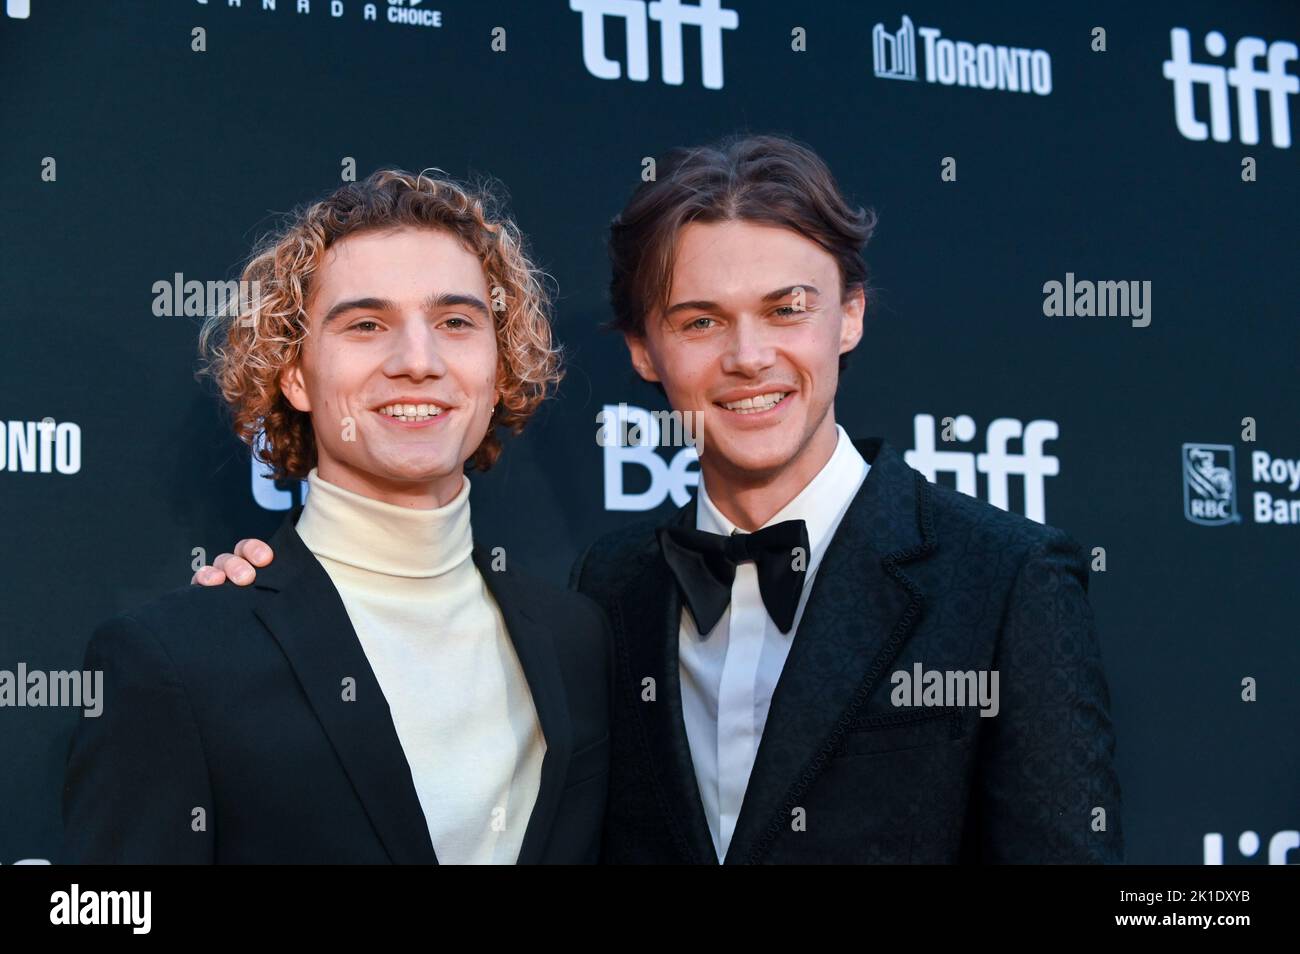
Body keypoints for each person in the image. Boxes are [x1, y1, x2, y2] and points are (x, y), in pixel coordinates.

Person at [197, 136, 1123, 864]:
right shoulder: (609, 591)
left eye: (788, 309)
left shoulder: (1004, 583)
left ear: (851, 315)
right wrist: (284, 603)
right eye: (699, 322)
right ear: (645, 351)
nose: (749, 356)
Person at [64, 169, 610, 864]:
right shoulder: (176, 660)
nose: (419, 360)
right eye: (365, 325)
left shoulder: (579, 640)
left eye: (456, 322)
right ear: (294, 374)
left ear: (499, 368)